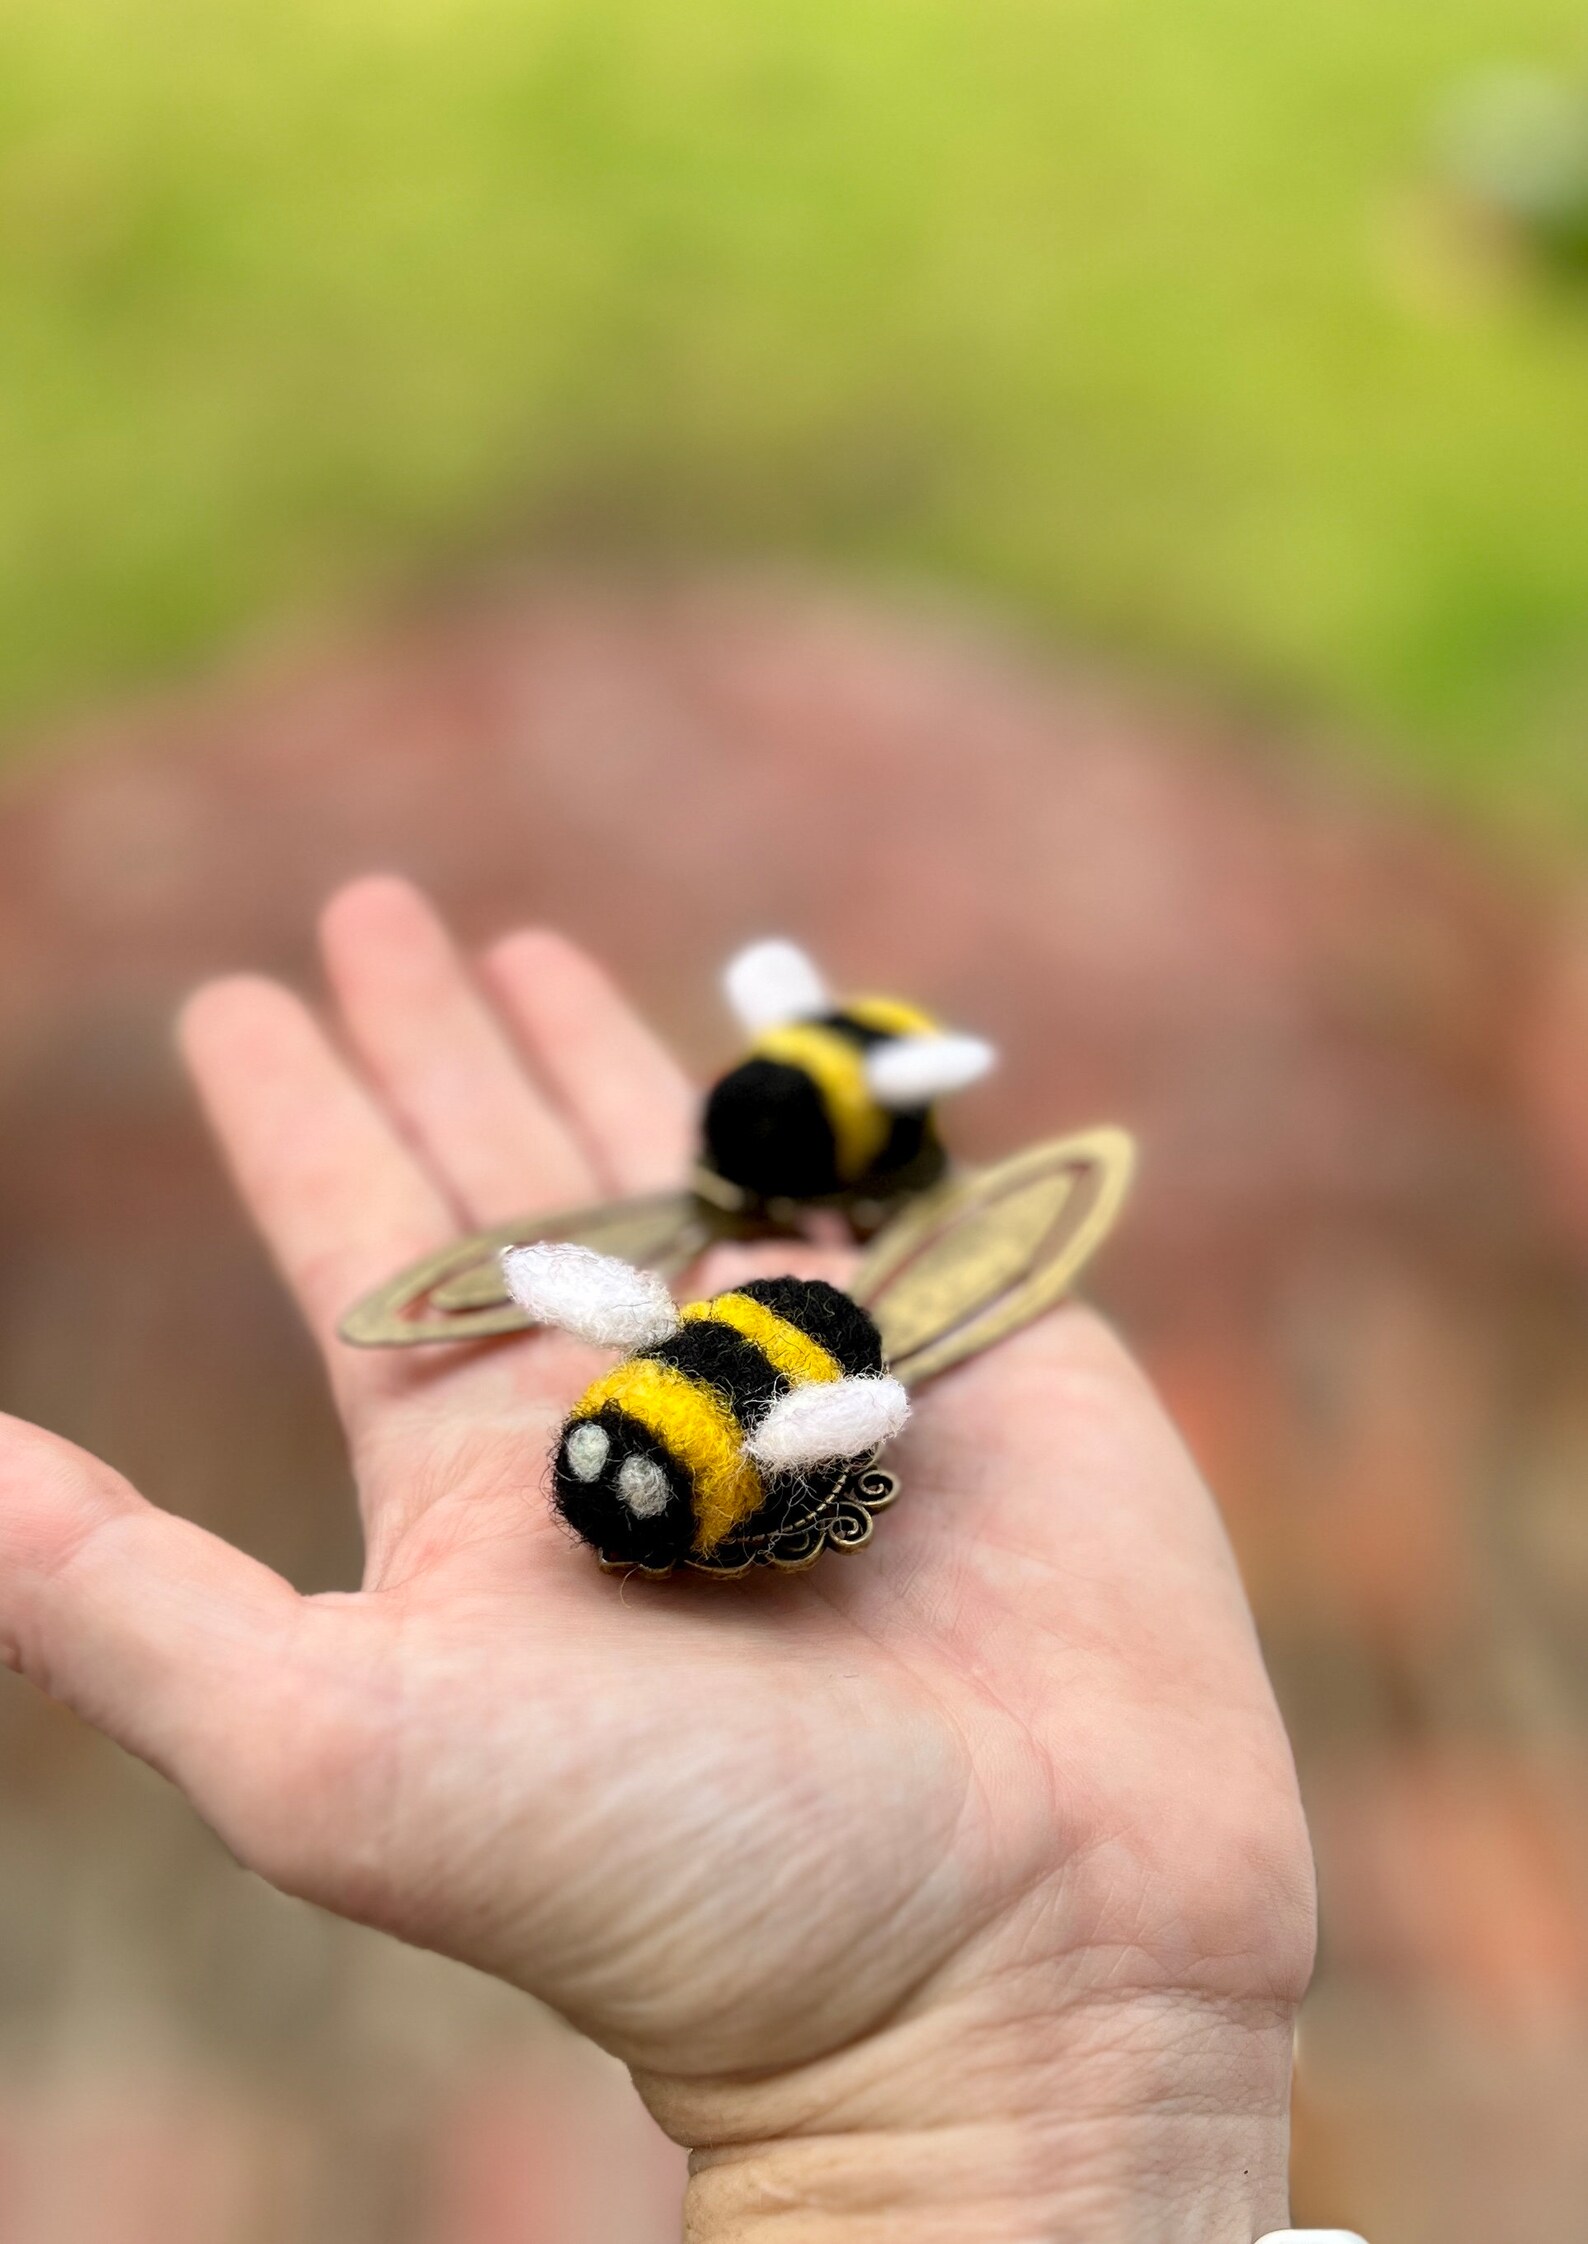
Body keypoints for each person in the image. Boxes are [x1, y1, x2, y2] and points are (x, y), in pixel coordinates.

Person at [0, 876, 1317, 2241]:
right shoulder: (725, 1392)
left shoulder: (753, 1390)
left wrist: (962, 2100)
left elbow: (778, 1400)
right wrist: (970, 2096)